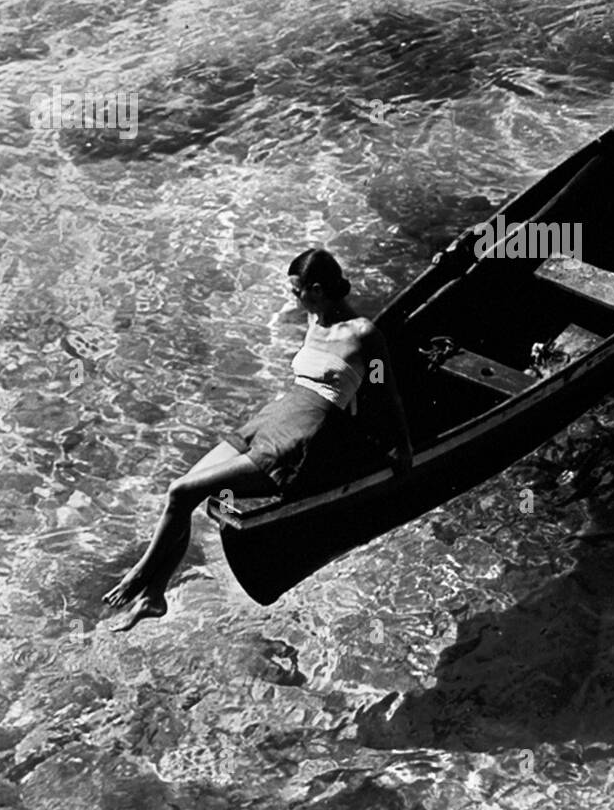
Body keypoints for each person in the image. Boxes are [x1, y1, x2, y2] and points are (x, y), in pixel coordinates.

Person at [103, 249, 412, 630]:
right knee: (187, 495)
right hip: (269, 420)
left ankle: (141, 575)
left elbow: (383, 388)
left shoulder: (363, 333)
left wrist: (399, 443)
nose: (292, 297)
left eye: (296, 290)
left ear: (316, 290)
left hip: (299, 437)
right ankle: (154, 595)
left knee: (179, 491)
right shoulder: (313, 320)